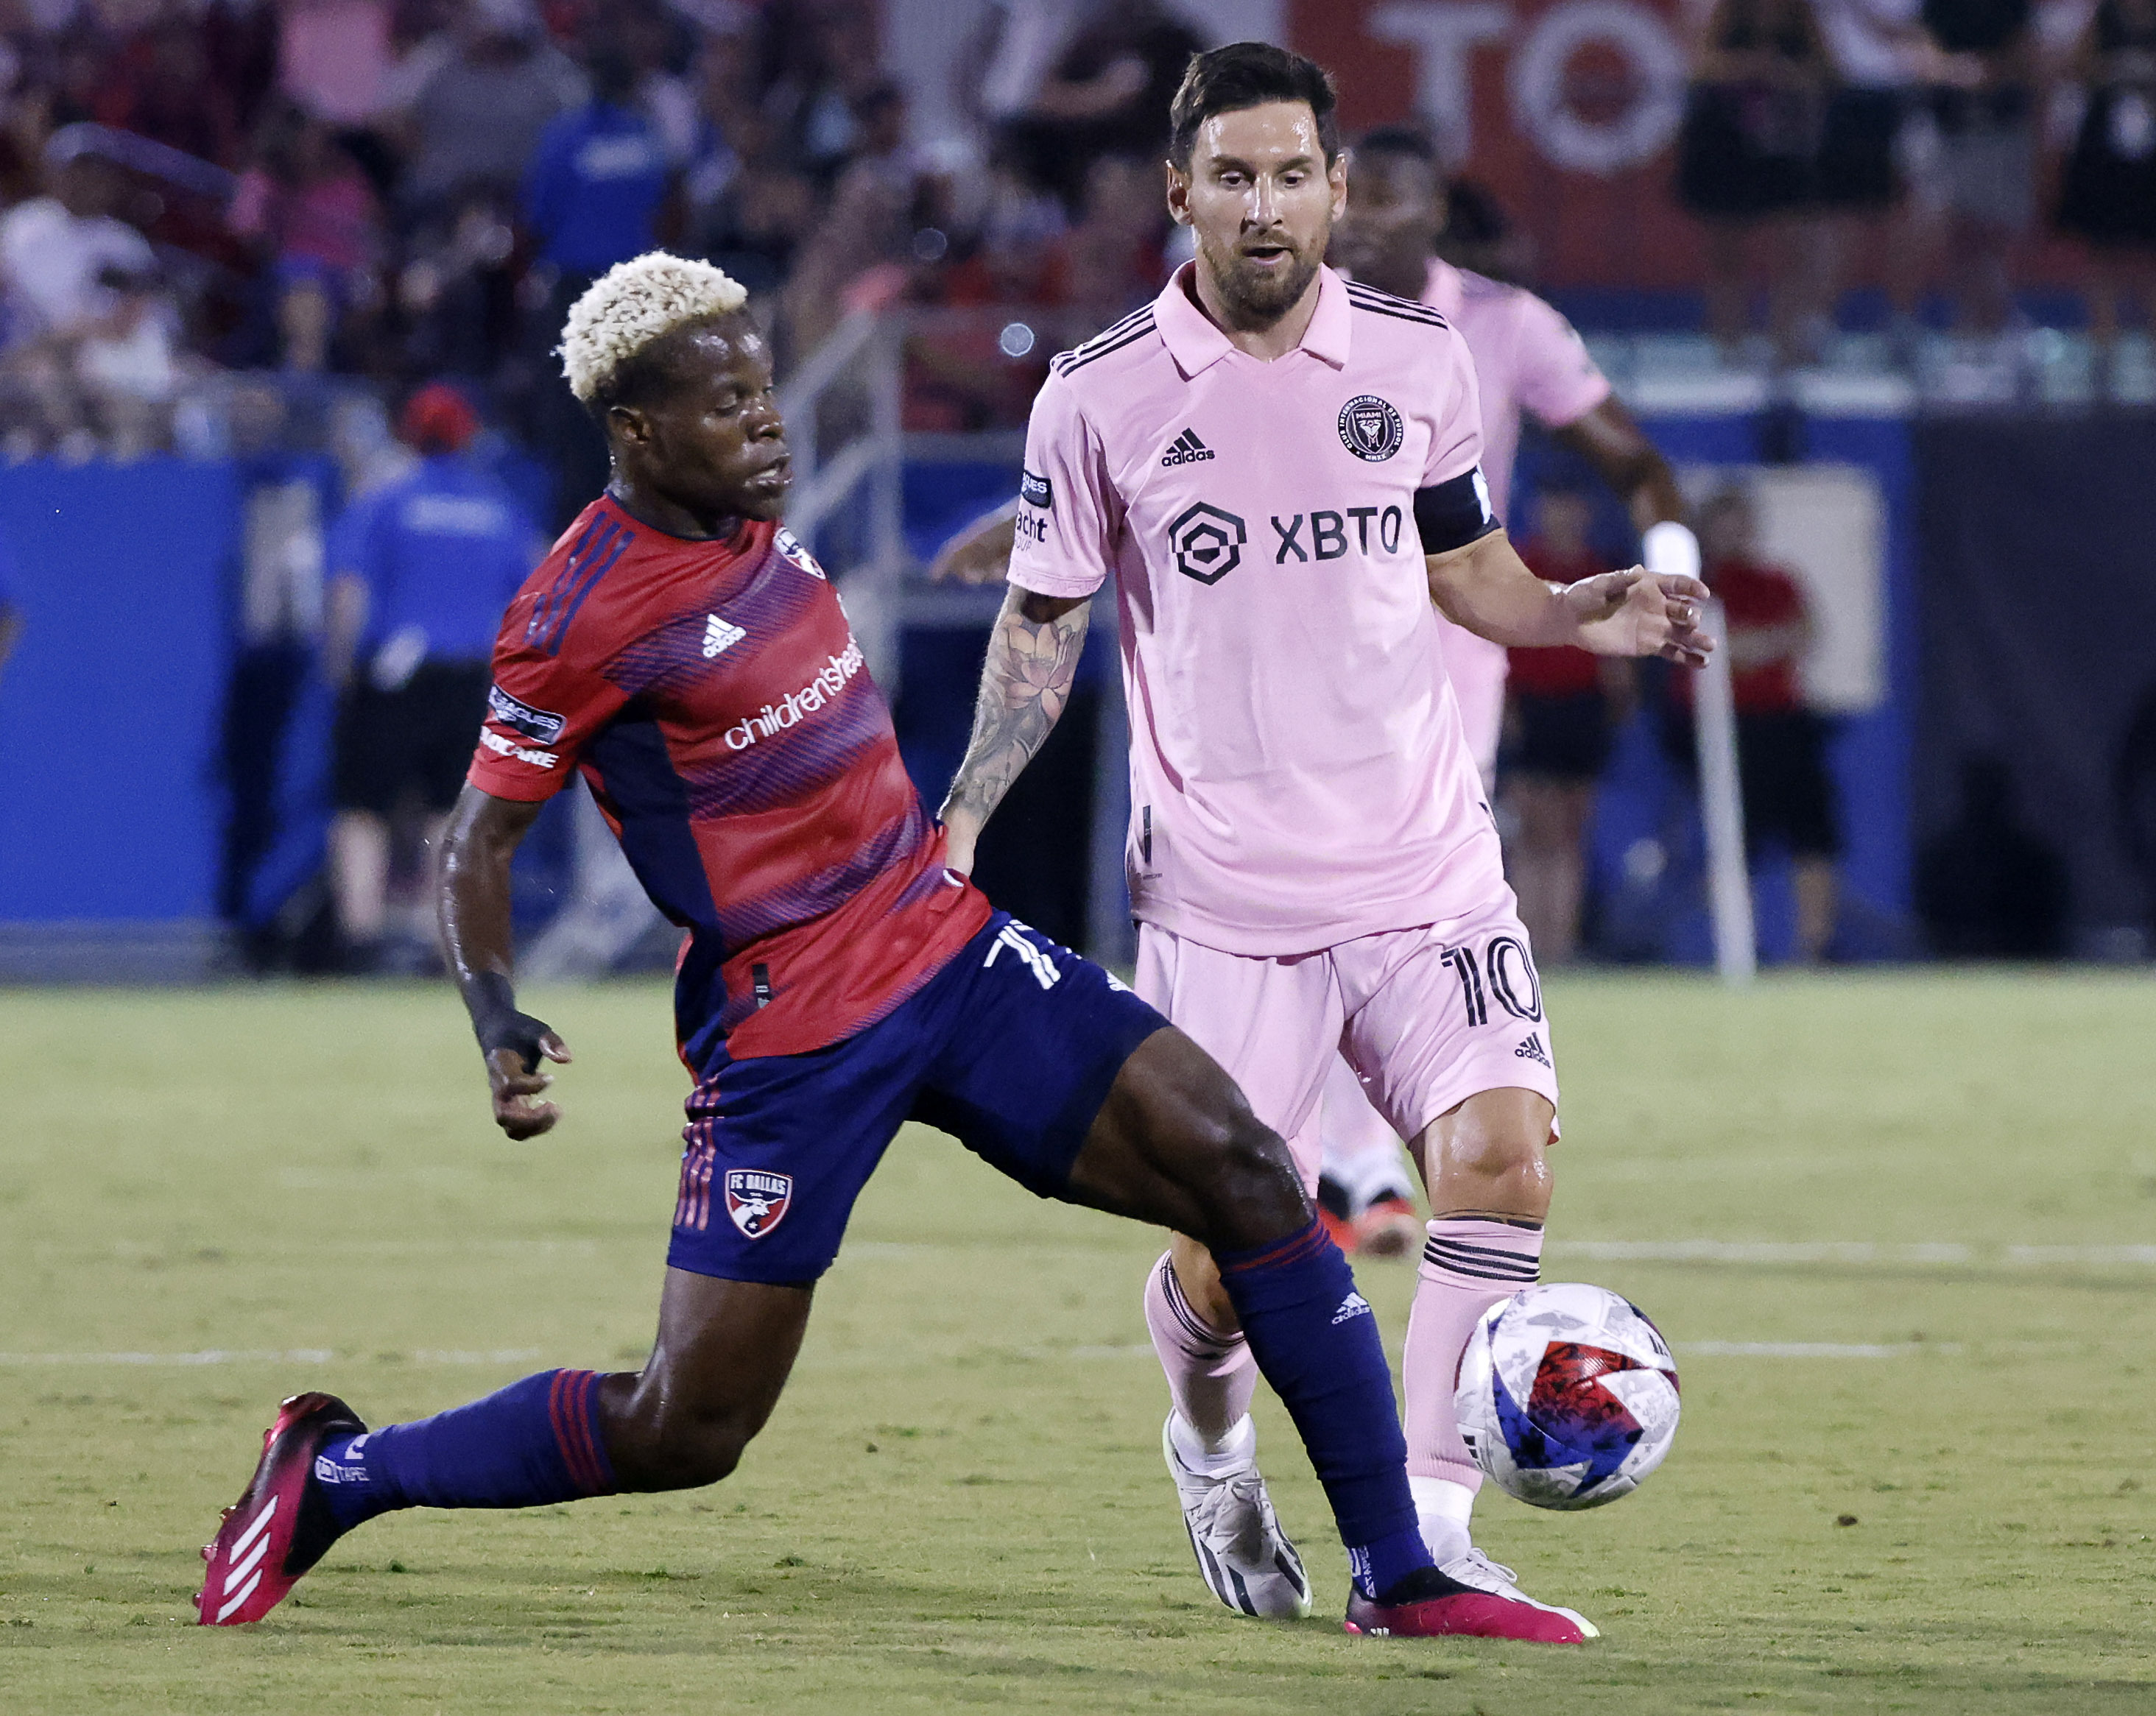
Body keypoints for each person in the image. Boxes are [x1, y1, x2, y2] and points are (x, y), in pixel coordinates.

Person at [195, 251, 1560, 1646]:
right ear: (638, 432)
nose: (768, 425)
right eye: (727, 406)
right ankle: (341, 1474)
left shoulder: (753, 523)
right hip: (794, 1031)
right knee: (689, 1423)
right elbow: (475, 844)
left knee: (1251, 1173)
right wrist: (492, 1010)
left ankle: (1398, 1568)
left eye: (766, 389)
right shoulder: (578, 609)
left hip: (946, 948)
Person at [936, 46, 1710, 1638]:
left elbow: (1466, 569)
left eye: (1296, 175)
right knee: (1236, 1253)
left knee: (1500, 1155)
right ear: (1180, 193)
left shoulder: (1422, 360)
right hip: (1223, 902)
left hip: (1428, 864)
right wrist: (957, 828)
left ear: (1338, 191)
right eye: (1234, 176)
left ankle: (1429, 1530)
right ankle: (1211, 1444)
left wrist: (1581, 609)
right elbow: (1041, 630)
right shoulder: (1099, 390)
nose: (1268, 205)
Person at [1317, 125, 1688, 1254]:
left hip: (1455, 650)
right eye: (1353, 196)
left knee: (1413, 907)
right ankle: (1359, 1164)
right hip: (1305, 650)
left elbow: (1634, 459)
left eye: (1394, 198)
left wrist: (1669, 554)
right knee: (1324, 900)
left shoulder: (1504, 324)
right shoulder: (1276, 308)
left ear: (1438, 212)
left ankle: (1377, 1159)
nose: (1369, 216)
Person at [323, 382, 538, 971]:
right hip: (471, 677)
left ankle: (362, 939)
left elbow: (349, 589)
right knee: (451, 812)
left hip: (394, 672)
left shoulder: (386, 500)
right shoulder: (498, 509)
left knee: (362, 806)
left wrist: (341, 667)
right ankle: (440, 940)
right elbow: (535, 597)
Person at [1666, 488, 1841, 961]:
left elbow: (1803, 634)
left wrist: (1752, 648)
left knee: (1812, 834)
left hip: (1783, 723)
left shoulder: (1778, 581)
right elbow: (1709, 646)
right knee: (1734, 841)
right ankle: (1738, 946)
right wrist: (1755, 647)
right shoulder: (1694, 586)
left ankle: (1814, 949)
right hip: (1724, 730)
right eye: (1725, 522)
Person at [1498, 488, 1633, 966]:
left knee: (1572, 830)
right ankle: (1527, 936)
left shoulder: (1599, 572)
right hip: (1530, 706)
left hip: (1582, 708)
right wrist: (1506, 706)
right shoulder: (1520, 565)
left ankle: (1560, 940)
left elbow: (1615, 648)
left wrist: (1616, 700)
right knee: (1533, 829)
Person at [1672, 0, 1833, 362]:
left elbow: (1828, 72)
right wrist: (1744, 69)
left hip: (1784, 146)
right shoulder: (1724, 18)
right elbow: (1696, 64)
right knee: (1726, 251)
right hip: (1725, 143)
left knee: (1793, 248)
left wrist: (1786, 74)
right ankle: (1729, 343)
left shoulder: (1801, 22)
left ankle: (1785, 343)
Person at [2054, 0, 2156, 362]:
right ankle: (2104, 345)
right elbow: (2073, 67)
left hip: (2150, 150)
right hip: (2106, 146)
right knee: (2102, 250)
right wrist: (2114, 70)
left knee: (2148, 253)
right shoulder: (2103, 15)